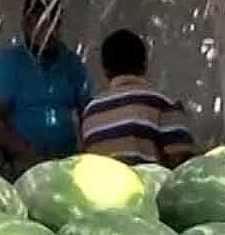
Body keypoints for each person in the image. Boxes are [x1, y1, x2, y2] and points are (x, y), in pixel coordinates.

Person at [0, 0, 92, 175]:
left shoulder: (71, 62)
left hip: (67, 162)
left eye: (53, 24)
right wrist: (29, 154)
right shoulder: (8, 63)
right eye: (40, 23)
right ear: (26, 24)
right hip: (22, 163)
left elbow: (87, 113)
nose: (47, 31)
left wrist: (87, 155)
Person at [79, 29, 197, 166]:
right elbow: (184, 167)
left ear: (105, 71)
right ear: (145, 64)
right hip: (149, 187)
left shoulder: (90, 112)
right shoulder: (164, 105)